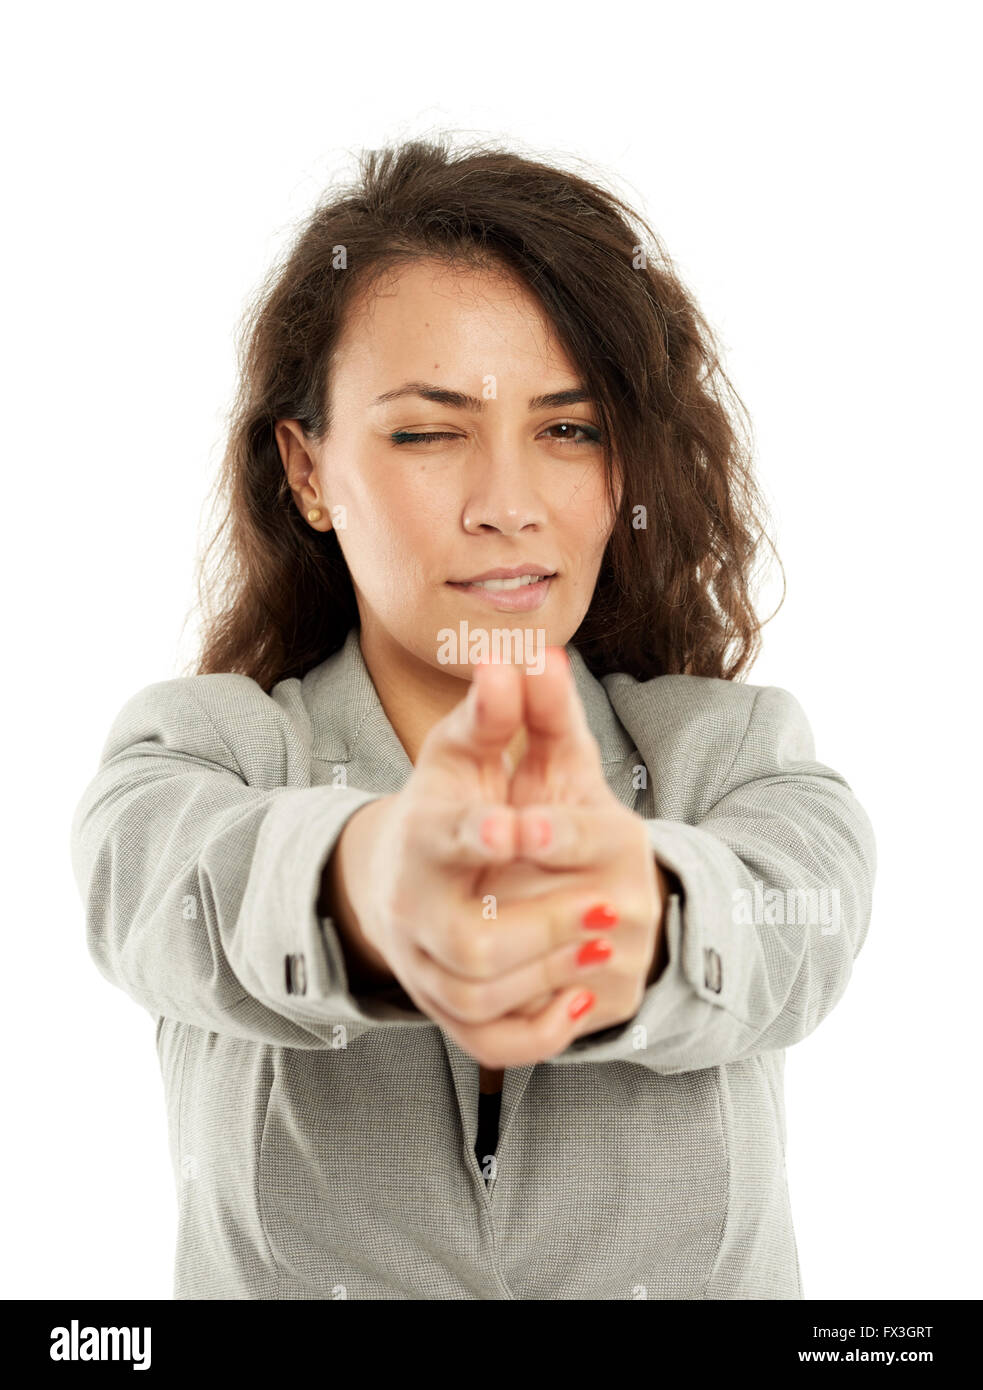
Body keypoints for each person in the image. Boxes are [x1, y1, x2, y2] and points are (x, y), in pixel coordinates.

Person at [69, 136, 876, 1300]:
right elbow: (167, 887)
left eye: (567, 428)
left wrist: (615, 919)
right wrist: (379, 884)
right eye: (426, 431)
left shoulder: (734, 760)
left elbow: (794, 930)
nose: (506, 506)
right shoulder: (200, 753)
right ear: (307, 471)